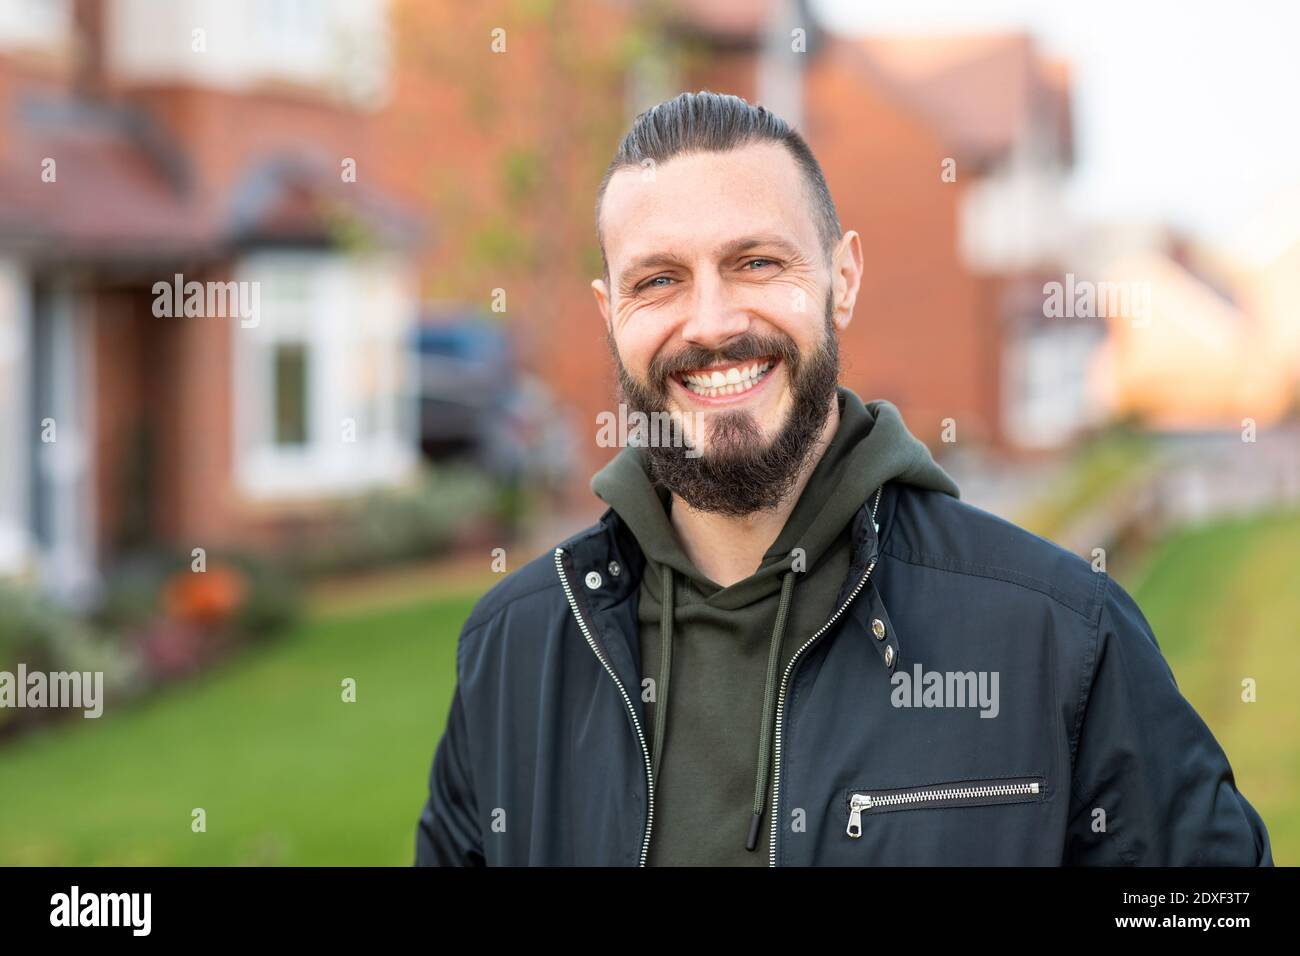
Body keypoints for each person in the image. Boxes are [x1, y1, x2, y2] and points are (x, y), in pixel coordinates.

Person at [415, 91, 1272, 866]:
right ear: (611, 316)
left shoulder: (1058, 635)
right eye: (659, 281)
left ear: (843, 278)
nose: (711, 324)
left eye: (756, 263)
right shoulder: (514, 653)